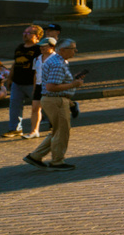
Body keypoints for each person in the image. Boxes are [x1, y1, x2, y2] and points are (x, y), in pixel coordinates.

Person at [24, 39, 85, 170]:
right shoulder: (57, 63)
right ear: (62, 50)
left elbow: (54, 82)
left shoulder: (57, 61)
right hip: (55, 100)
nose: (75, 51)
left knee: (58, 130)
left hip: (53, 99)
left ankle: (35, 156)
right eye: (73, 48)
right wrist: (74, 84)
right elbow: (51, 87)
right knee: (62, 132)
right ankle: (57, 162)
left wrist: (71, 80)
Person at [1, 25, 43, 139]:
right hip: (17, 83)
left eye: (29, 33)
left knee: (42, 105)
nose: (25, 34)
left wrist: (36, 85)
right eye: (24, 32)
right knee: (14, 106)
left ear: (37, 36)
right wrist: (10, 78)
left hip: (31, 83)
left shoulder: (39, 49)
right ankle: (15, 129)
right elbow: (15, 63)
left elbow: (38, 68)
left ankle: (55, 122)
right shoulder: (20, 48)